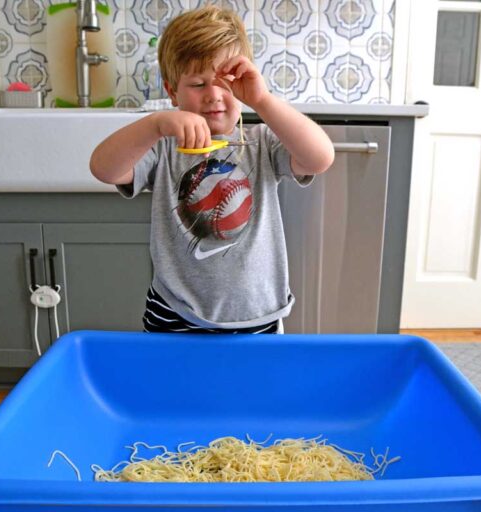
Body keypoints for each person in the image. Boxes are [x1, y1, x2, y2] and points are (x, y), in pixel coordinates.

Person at [90, 5, 334, 334]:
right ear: (172, 89)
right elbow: (104, 168)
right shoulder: (163, 145)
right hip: (175, 311)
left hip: (257, 314)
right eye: (198, 84)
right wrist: (155, 123)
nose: (214, 95)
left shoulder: (261, 141)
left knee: (253, 388)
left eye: (226, 82)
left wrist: (262, 100)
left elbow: (320, 158)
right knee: (173, 387)